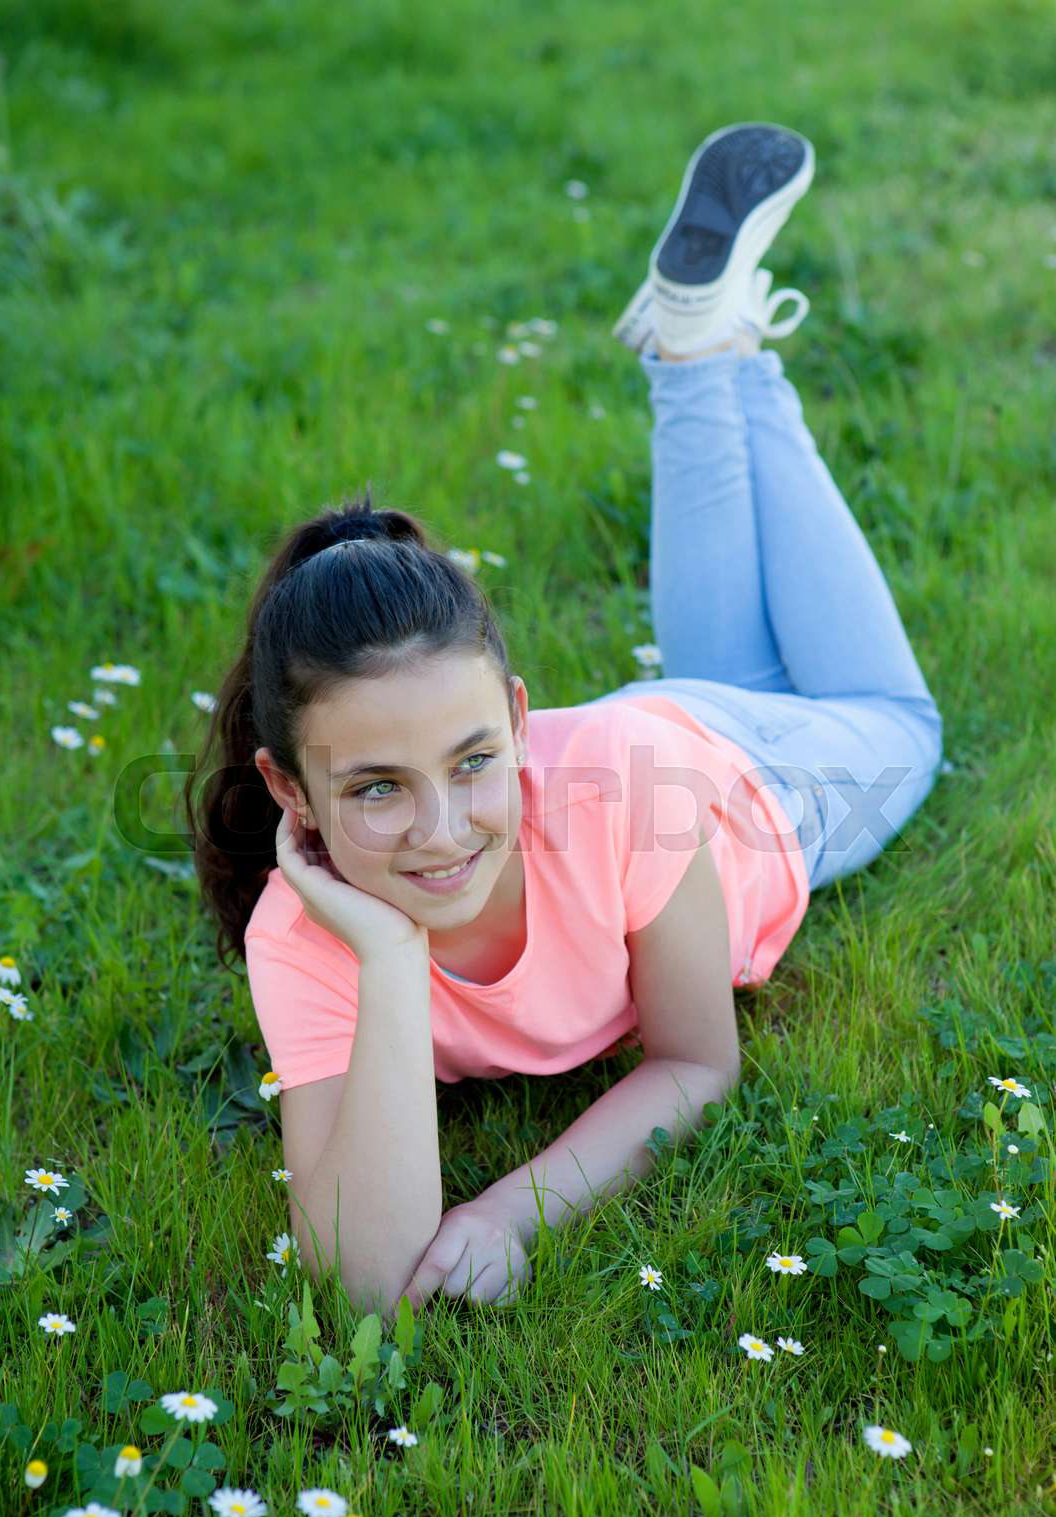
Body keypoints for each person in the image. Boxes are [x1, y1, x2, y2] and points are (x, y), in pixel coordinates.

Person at [186, 122, 943, 1322]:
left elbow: (696, 1062)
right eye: (375, 786)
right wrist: (388, 957)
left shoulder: (622, 793)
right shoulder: (309, 932)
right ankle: (696, 351)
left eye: (473, 759)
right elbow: (366, 1274)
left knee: (891, 717)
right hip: (650, 735)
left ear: (517, 721)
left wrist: (509, 1206)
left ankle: (741, 361)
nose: (440, 832)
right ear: (292, 794)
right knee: (727, 662)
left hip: (740, 785)